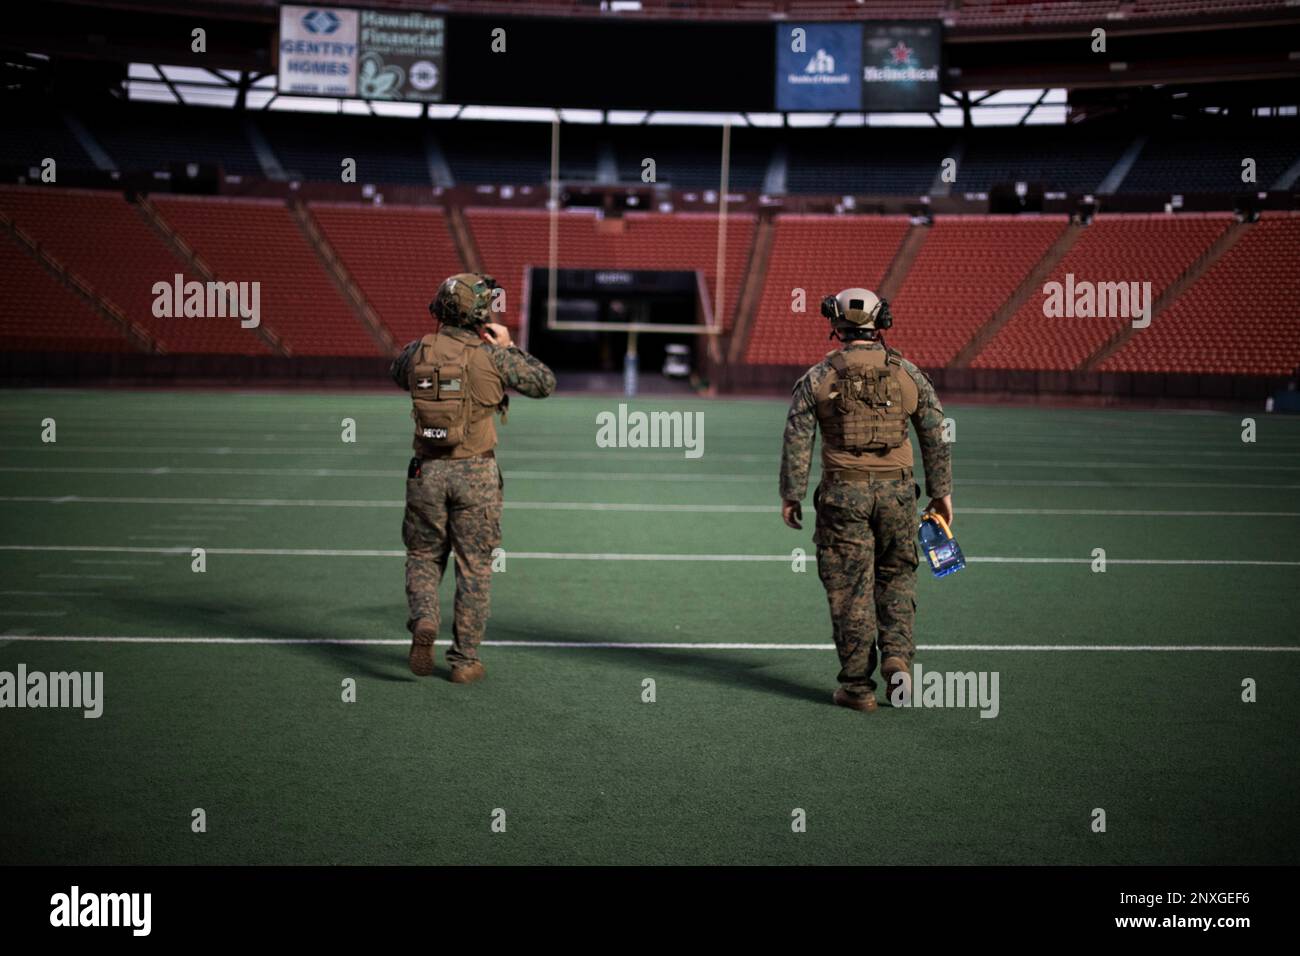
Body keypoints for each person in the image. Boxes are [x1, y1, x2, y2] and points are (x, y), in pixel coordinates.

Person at [779, 287, 952, 712]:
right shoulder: (909, 374)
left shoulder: (818, 378)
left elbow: (797, 438)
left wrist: (792, 494)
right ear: (882, 322)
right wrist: (942, 493)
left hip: (843, 495)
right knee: (897, 577)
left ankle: (857, 688)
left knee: (849, 589)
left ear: (835, 323)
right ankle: (897, 658)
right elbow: (936, 434)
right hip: (898, 495)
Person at [389, 273, 556, 683]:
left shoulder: (415, 352)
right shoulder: (492, 356)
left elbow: (397, 374)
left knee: (424, 555)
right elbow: (543, 383)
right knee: (475, 567)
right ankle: (464, 661)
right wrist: (509, 347)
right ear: (479, 314)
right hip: (476, 472)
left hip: (425, 469)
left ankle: (425, 619)